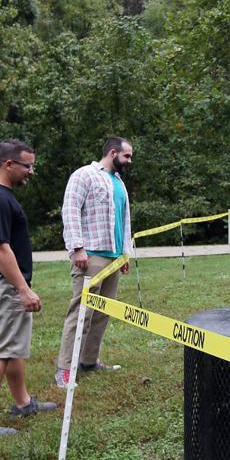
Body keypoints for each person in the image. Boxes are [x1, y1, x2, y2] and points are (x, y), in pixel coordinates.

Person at [0, 139, 58, 440]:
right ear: (8, 164)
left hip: (2, 284)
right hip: (2, 284)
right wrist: (22, 289)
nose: (31, 171)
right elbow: (0, 248)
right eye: (27, 166)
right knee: (2, 349)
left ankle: (23, 403)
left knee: (12, 345)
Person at [56, 136, 134, 387]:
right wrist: (78, 248)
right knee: (81, 311)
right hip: (90, 256)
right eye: (127, 156)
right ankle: (65, 370)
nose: (129, 161)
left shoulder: (119, 182)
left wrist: (125, 254)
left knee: (102, 312)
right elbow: (70, 211)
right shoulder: (84, 175)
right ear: (113, 153)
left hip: (114, 257)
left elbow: (124, 220)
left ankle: (89, 361)